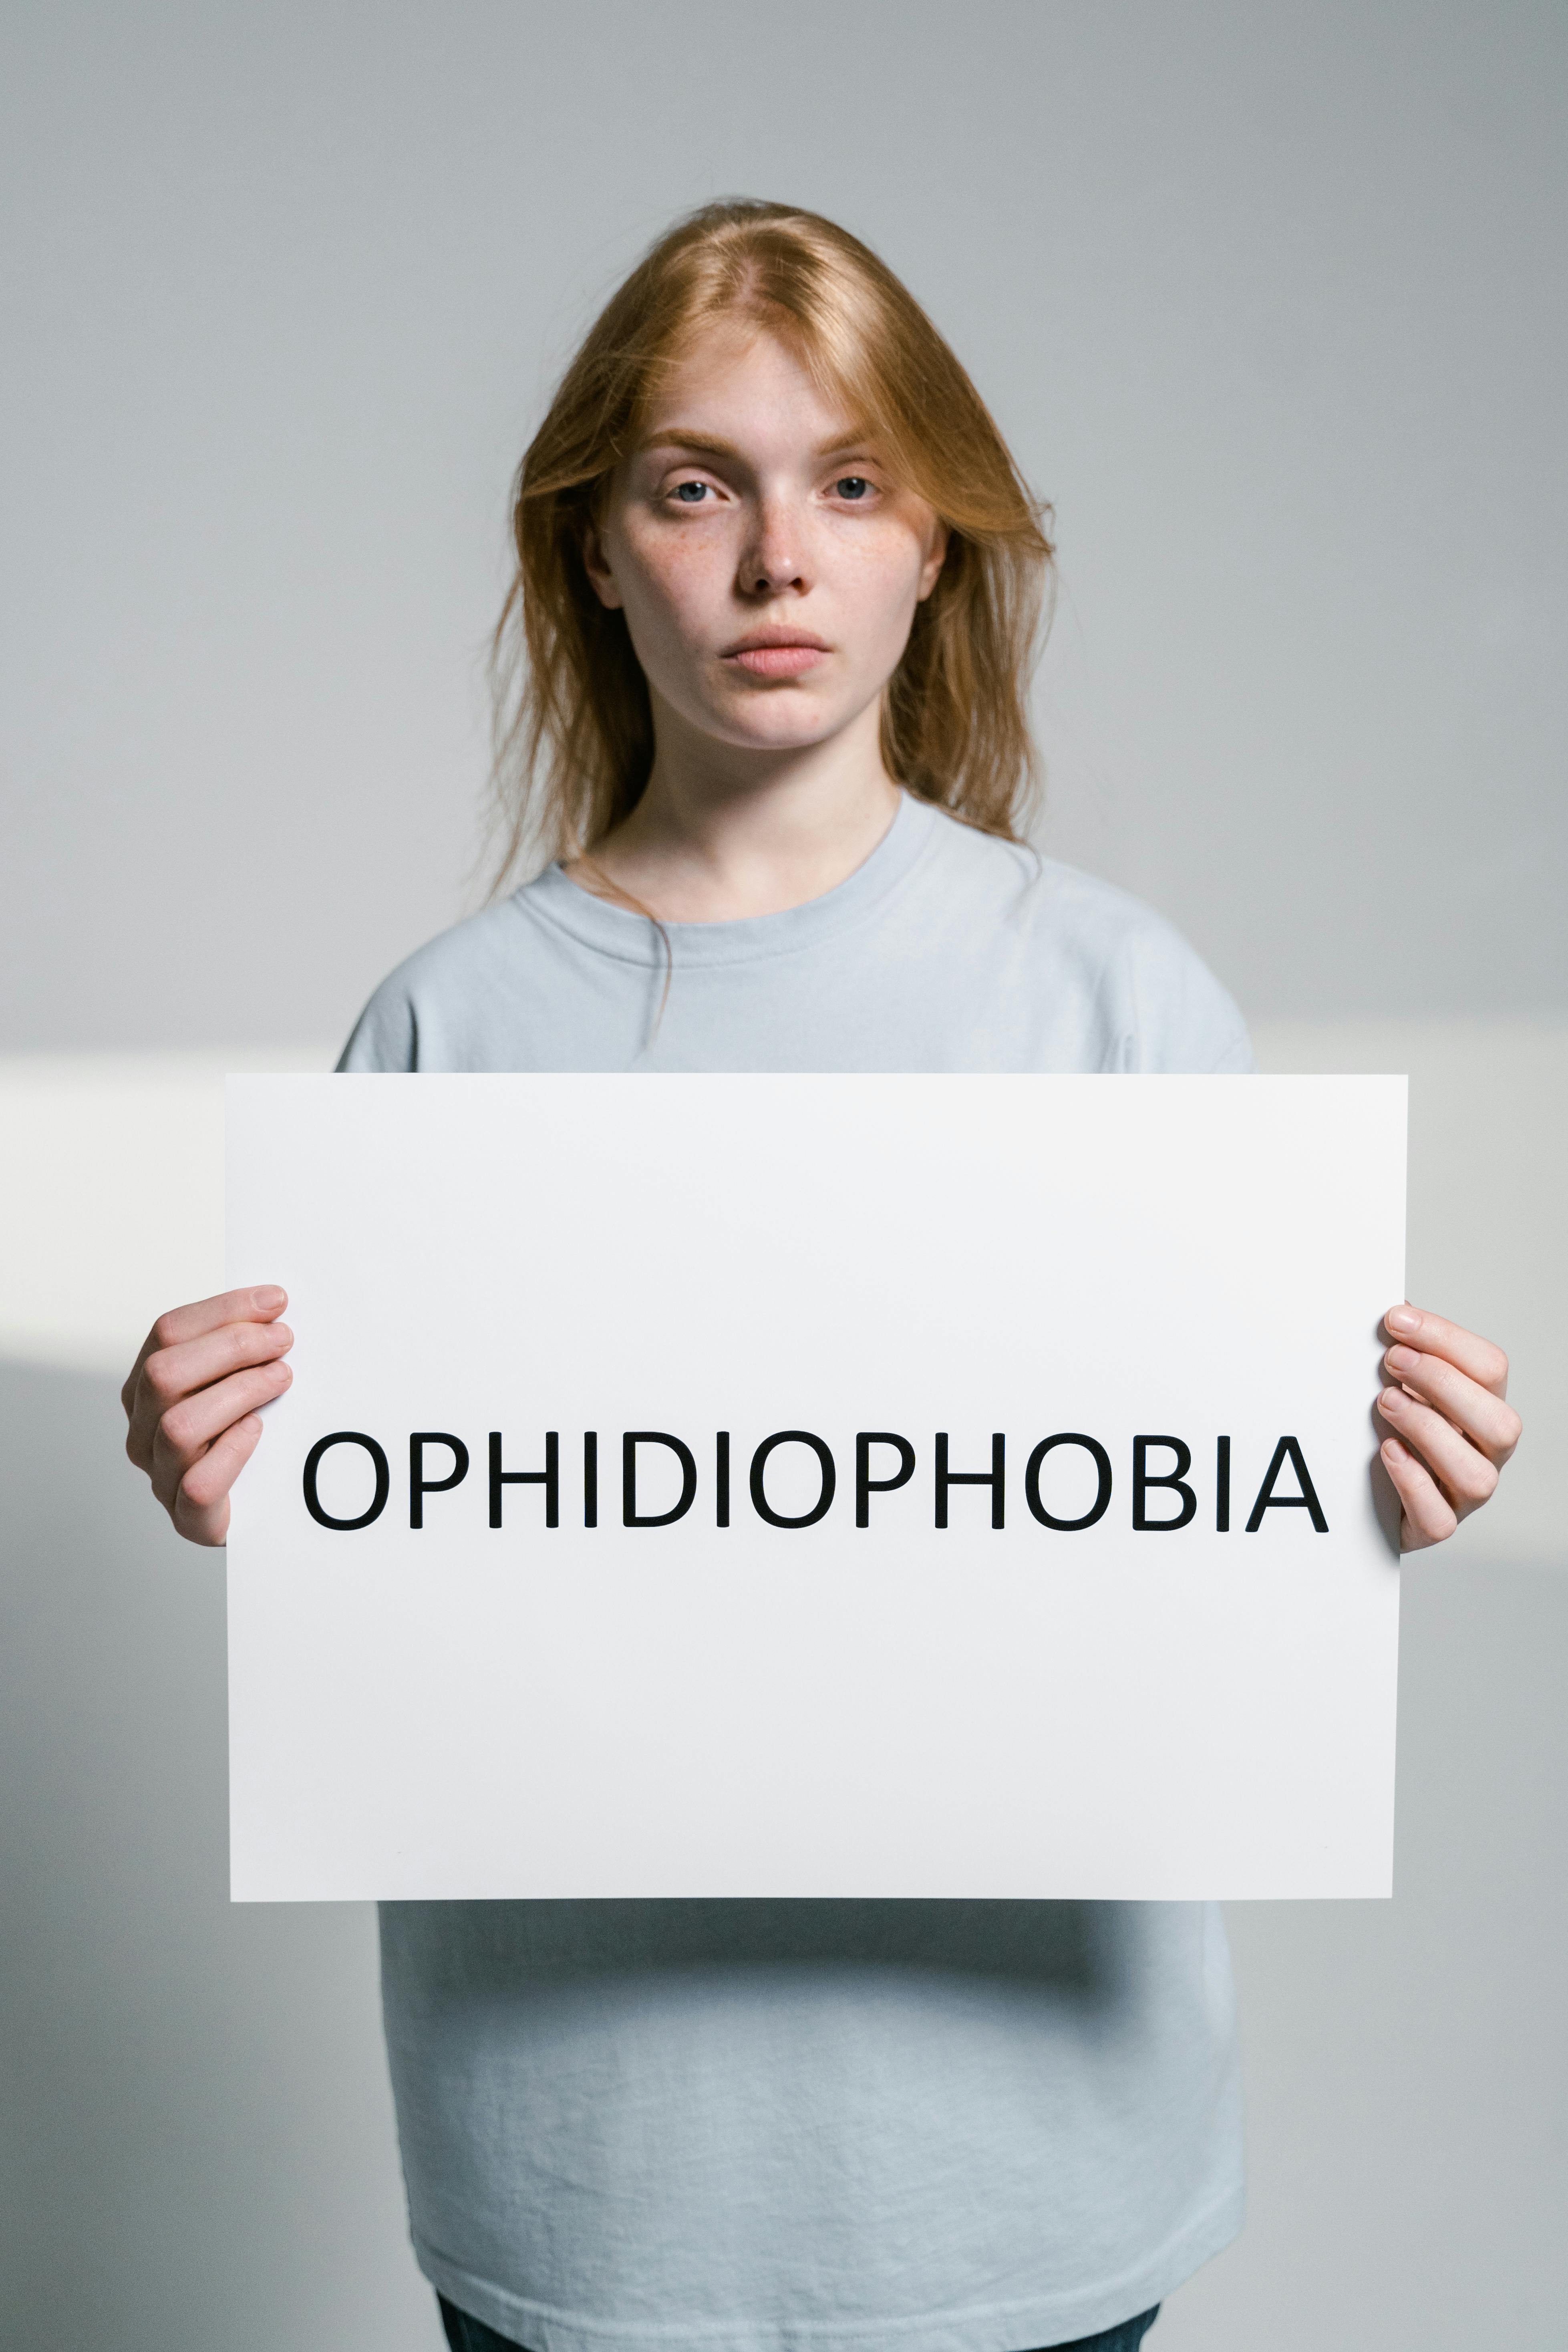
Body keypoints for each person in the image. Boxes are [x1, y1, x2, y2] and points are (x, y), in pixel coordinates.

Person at [121, 201, 1522, 2352]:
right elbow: (405, 1579)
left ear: (934, 540)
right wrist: (232, 1463)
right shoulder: (447, 1034)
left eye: (851, 483)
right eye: (698, 487)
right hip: (581, 2187)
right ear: (595, 546)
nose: (781, 559)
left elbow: (1218, 1571)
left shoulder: (1118, 1004)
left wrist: (1381, 1484)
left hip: (1031, 2180)